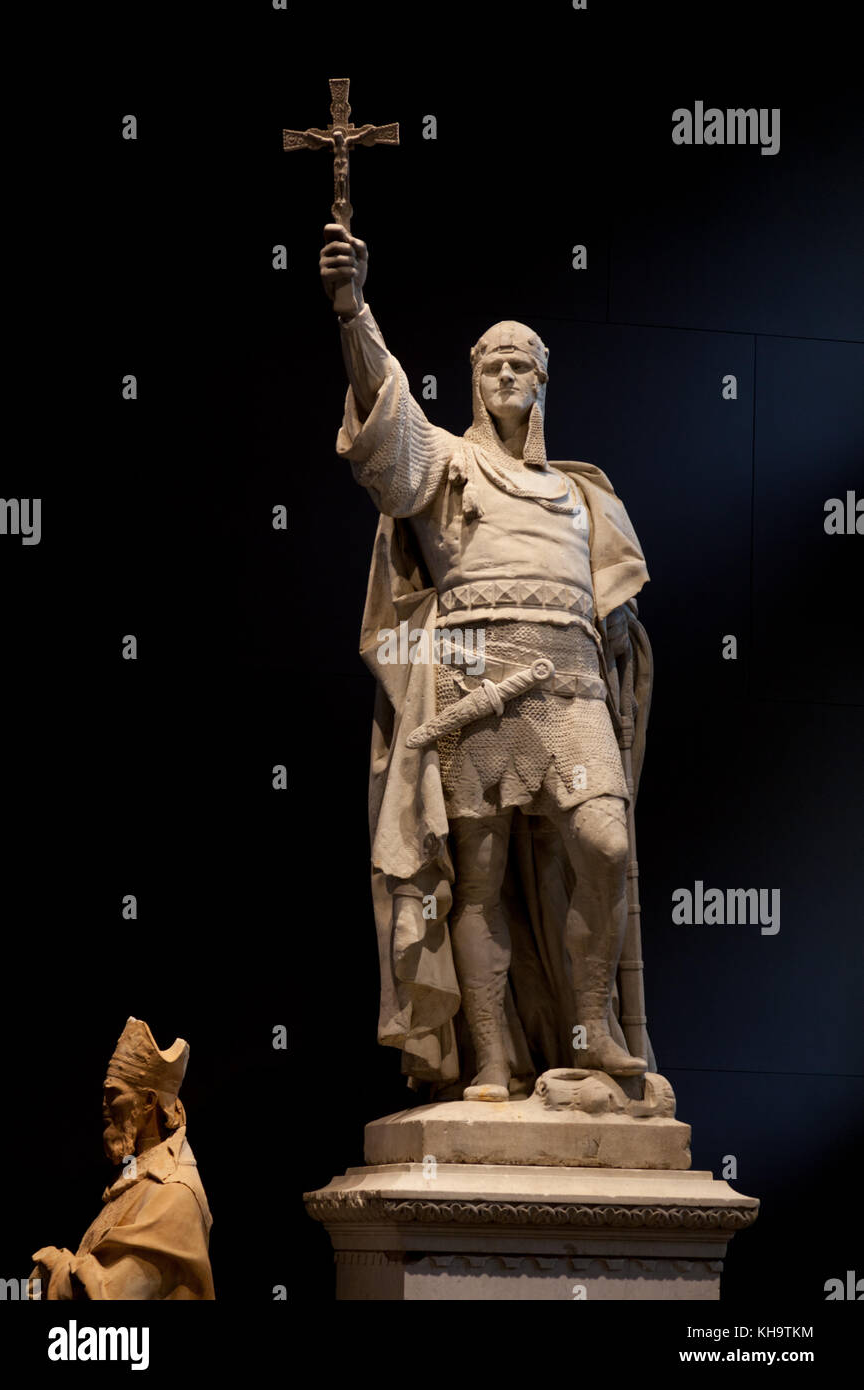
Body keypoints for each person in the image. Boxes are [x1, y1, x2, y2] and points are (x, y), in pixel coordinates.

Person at [322, 225, 655, 1102]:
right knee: (479, 874)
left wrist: (615, 638)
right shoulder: (449, 462)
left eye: (520, 366)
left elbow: (620, 618)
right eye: (492, 366)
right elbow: (385, 420)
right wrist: (354, 311)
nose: (506, 377)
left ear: (543, 380)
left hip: (569, 682)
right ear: (475, 380)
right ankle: (493, 1061)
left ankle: (592, 1029)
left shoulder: (583, 492)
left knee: (606, 846)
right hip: (475, 680)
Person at [30, 1017, 214, 1299]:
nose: (104, 1105)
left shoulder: (174, 1192)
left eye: (114, 1094)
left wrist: (53, 1266)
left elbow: (111, 1295)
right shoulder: (137, 1177)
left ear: (149, 1102)